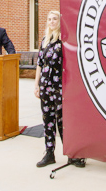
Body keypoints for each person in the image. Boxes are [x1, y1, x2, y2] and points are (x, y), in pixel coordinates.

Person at [34, 10, 84, 169]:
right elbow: (40, 64)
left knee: (63, 121)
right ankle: (49, 153)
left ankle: (72, 155)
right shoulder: (44, 41)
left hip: (59, 87)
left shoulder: (64, 40)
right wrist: (36, 85)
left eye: (54, 19)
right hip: (45, 86)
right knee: (47, 120)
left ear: (59, 21)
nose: (51, 21)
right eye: (49, 19)